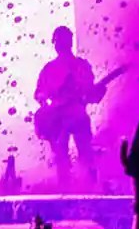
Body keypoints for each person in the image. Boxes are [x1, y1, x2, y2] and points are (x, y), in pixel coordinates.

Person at [34, 26, 97, 183]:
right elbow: (40, 94)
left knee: (78, 154)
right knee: (69, 155)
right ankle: (82, 185)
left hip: (72, 115)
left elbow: (90, 91)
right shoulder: (54, 68)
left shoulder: (76, 66)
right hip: (62, 117)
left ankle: (83, 184)